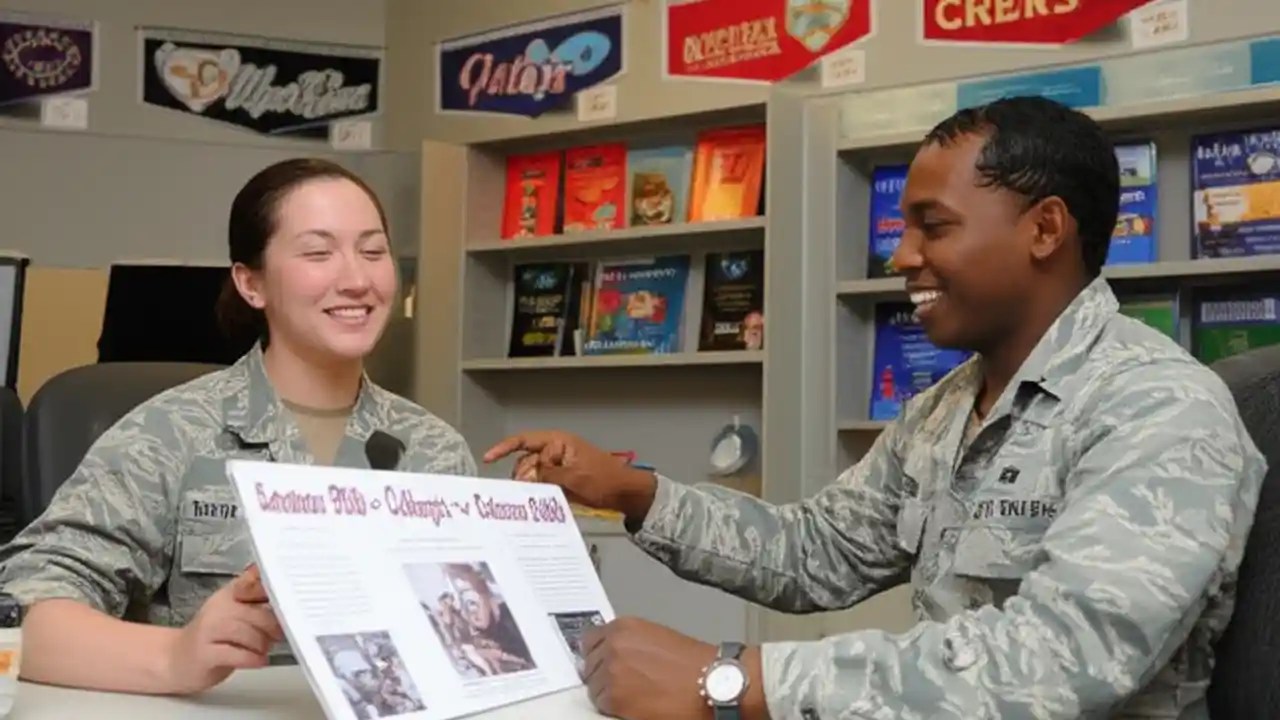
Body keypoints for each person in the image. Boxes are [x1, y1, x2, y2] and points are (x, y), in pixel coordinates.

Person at [484, 96, 1268, 720]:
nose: (901, 256)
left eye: (934, 226)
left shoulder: (1158, 406)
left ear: (1045, 229)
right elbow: (817, 552)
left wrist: (731, 681)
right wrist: (635, 494)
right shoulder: (945, 408)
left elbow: (1063, 659)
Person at [0, 158, 476, 696]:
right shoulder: (170, 433)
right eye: (319, 252)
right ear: (251, 284)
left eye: (373, 250)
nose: (358, 279)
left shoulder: (435, 450)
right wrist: (175, 657)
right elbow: (23, 611)